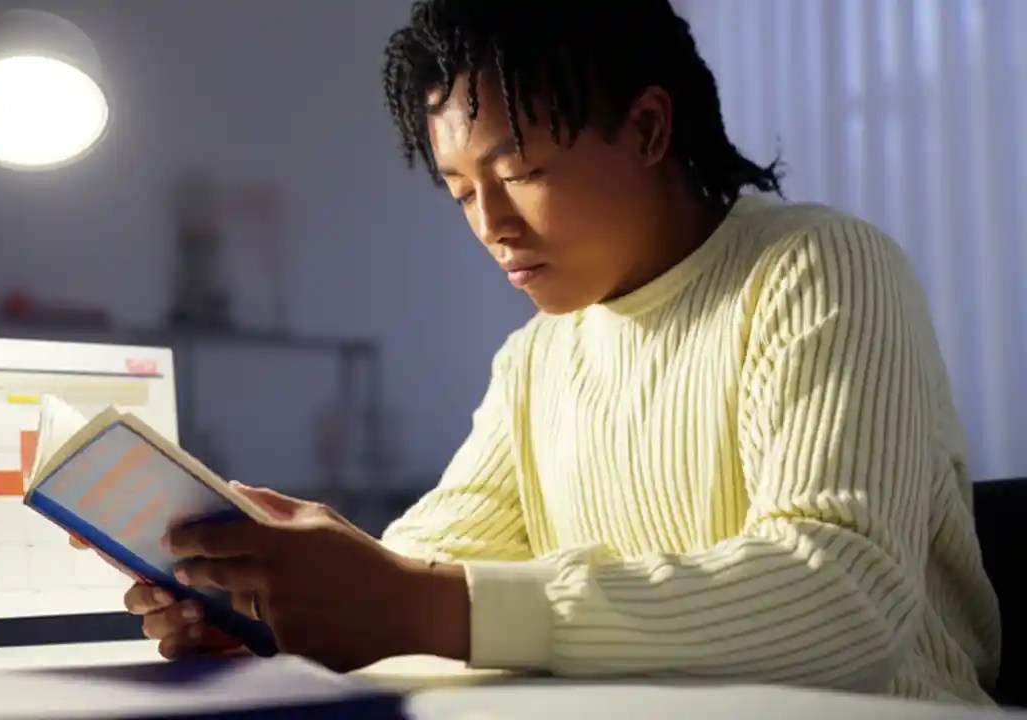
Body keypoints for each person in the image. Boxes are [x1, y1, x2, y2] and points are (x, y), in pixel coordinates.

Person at [108, 0, 1002, 705]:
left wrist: (414, 602)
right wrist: (276, 608)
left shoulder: (816, 268)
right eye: (462, 192)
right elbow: (435, 557)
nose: (491, 228)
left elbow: (840, 600)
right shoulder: (540, 355)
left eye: (521, 174)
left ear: (650, 129)